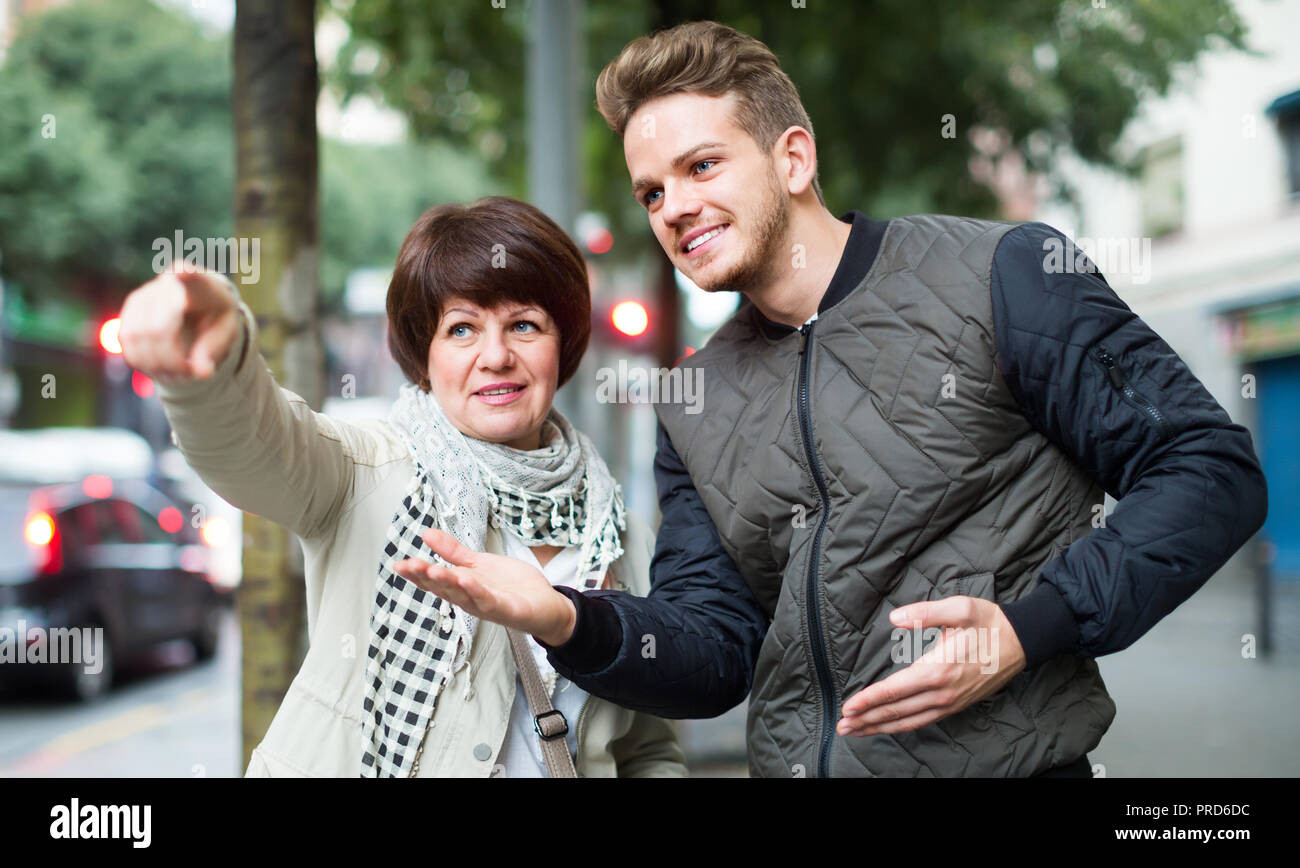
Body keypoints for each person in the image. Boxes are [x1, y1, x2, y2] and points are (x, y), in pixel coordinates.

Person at [405, 21, 1269, 778]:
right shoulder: (694, 398)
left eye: (701, 166)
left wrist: (1029, 626)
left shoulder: (1003, 276)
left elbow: (1210, 470)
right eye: (652, 193)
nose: (675, 209)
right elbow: (714, 656)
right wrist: (566, 619)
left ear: (793, 158)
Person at [118, 196, 687, 778]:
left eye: (523, 325)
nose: (496, 356)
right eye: (462, 328)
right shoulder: (367, 471)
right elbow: (257, 443)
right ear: (424, 354)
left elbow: (647, 748)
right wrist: (217, 364)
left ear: (562, 344)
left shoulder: (621, 535)